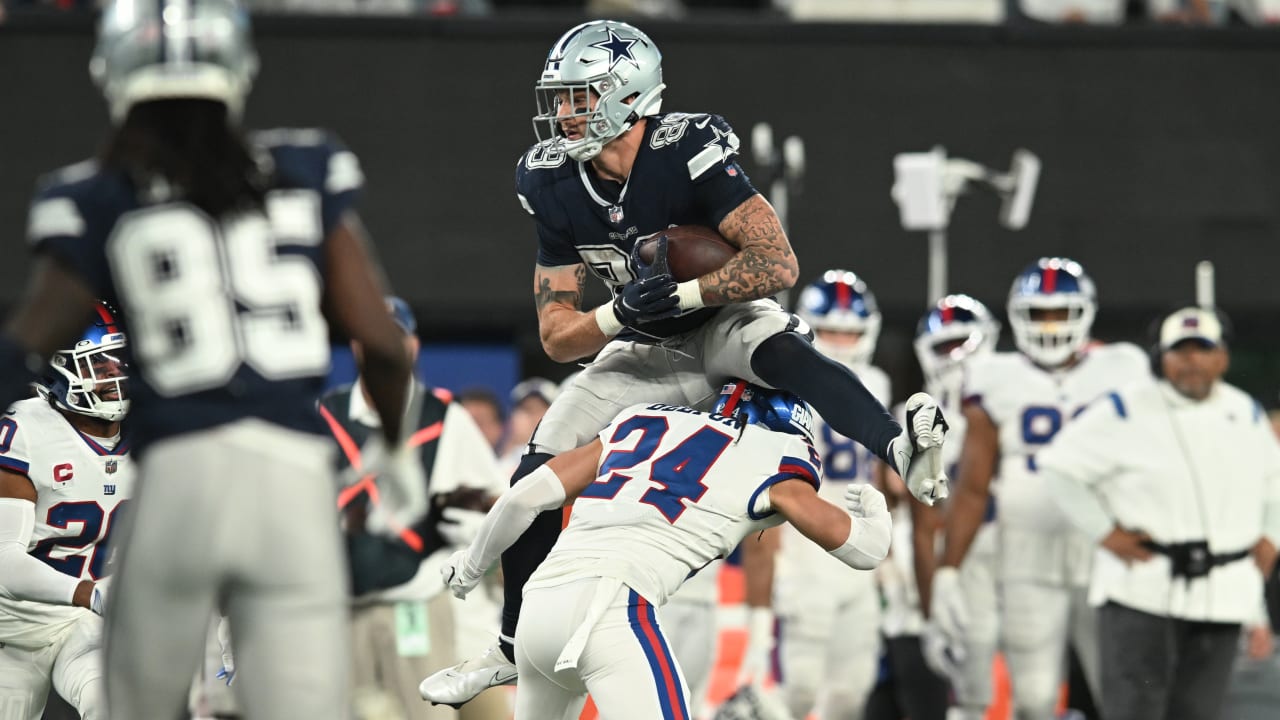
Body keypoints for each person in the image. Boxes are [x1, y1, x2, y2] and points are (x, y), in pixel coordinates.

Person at [420, 18, 949, 706]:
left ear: (630, 93)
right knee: (542, 454)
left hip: (717, 320)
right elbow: (557, 337)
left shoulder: (685, 148)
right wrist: (622, 314)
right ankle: (511, 644)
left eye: (582, 96)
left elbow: (778, 262)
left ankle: (896, 446)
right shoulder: (548, 179)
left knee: (785, 350)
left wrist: (687, 290)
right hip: (642, 342)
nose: (564, 113)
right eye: (563, 97)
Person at [0, 2, 420, 717]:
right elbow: (380, 343)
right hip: (291, 485)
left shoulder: (98, 193)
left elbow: (25, 347)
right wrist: (394, 448)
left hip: (177, 482)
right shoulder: (302, 168)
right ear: (239, 68)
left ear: (112, 72)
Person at [440, 380, 897, 720]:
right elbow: (865, 550)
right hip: (614, 611)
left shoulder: (642, 420)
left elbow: (524, 496)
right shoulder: (772, 453)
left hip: (537, 612)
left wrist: (471, 566)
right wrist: (876, 511)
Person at [925, 258, 1149, 720]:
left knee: (1123, 693)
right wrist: (949, 568)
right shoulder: (993, 376)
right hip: (1027, 552)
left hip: (1107, 551)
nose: (1049, 326)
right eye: (1039, 314)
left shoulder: (1123, 367)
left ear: (1083, 313)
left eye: (1060, 312)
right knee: (1034, 697)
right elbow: (972, 487)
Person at [1039, 306, 1280, 720]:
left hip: (1222, 596)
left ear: (1221, 357)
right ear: (1160, 358)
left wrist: (1272, 536)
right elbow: (1058, 467)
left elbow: (1273, 487)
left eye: (1202, 349)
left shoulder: (1246, 412)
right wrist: (1103, 531)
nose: (1192, 361)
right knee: (1135, 712)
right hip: (1141, 593)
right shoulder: (1124, 409)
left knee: (1198, 714)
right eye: (1180, 351)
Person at [318, 297, 508, 720]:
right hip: (341, 606)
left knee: (424, 714)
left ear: (414, 347)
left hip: (416, 603)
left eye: (394, 339)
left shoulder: (442, 416)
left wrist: (456, 535)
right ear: (356, 347)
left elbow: (494, 507)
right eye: (374, 339)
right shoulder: (326, 416)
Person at [738, 269, 891, 720]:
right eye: (830, 331)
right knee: (799, 688)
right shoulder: (784, 387)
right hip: (806, 547)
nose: (842, 343)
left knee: (852, 692)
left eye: (851, 332)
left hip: (857, 542)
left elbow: (878, 476)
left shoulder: (877, 382)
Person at [0, 304, 132, 720]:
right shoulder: (25, 431)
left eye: (120, 360)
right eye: (99, 363)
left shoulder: (155, 430)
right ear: (59, 369)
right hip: (14, 625)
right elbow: (3, 562)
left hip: (88, 623)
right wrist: (91, 593)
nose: (116, 375)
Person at [907, 294, 1003, 720]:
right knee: (971, 694)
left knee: (1039, 683)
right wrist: (931, 614)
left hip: (1029, 549)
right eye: (943, 346)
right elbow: (925, 525)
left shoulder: (1018, 396)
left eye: (962, 342)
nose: (954, 356)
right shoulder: (920, 418)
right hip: (965, 561)